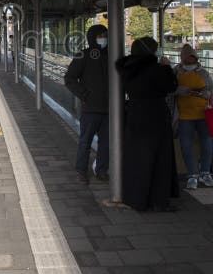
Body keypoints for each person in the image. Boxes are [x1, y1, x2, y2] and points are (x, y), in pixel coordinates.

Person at [116, 36, 180, 212]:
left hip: (135, 114)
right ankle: (158, 200)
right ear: (149, 51)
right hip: (155, 115)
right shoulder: (155, 69)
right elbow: (170, 87)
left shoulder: (126, 68)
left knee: (137, 157)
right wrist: (167, 68)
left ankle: (136, 198)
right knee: (159, 158)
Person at [64, 24, 109, 184]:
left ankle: (101, 170)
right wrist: (85, 95)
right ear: (93, 37)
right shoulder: (82, 55)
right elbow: (69, 79)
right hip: (90, 108)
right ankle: (81, 170)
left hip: (110, 109)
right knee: (85, 141)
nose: (104, 38)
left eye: (105, 35)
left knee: (107, 143)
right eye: (101, 35)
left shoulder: (112, 54)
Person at [174, 44, 213, 190]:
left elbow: (212, 89)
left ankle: (205, 172)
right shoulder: (176, 72)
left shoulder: (203, 73)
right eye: (188, 57)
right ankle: (192, 174)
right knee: (186, 145)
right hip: (184, 115)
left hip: (204, 113)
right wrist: (178, 90)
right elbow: (168, 88)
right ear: (183, 58)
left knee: (207, 143)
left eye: (193, 57)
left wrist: (208, 94)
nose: (191, 60)